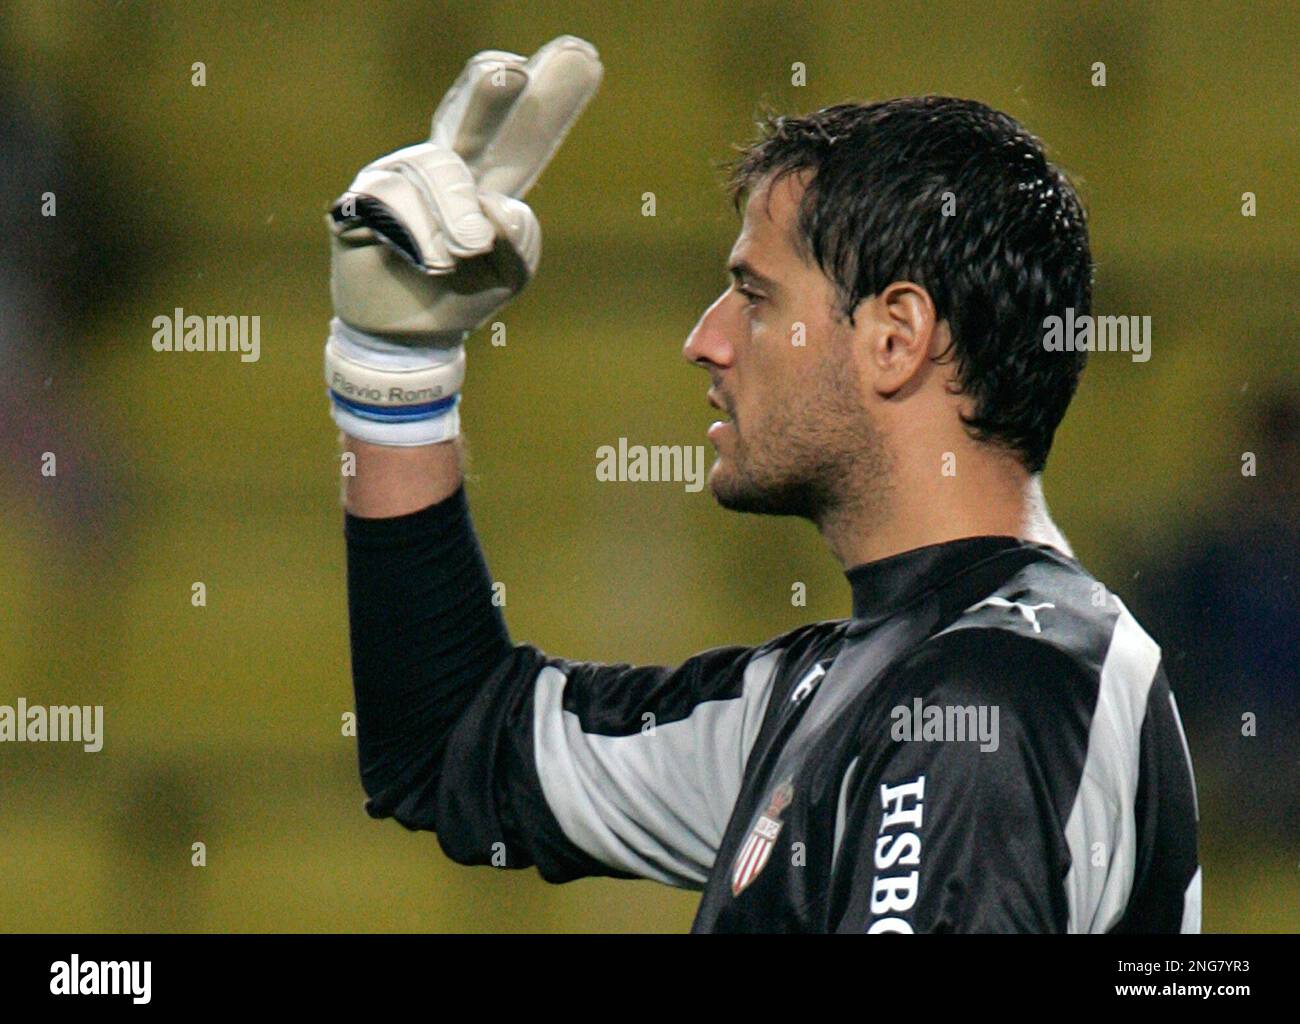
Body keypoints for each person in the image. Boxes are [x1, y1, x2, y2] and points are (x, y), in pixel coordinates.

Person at [327, 37, 1199, 932]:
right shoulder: (842, 689)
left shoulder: (986, 699)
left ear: (895, 337)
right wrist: (395, 371)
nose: (706, 340)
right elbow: (451, 744)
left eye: (754, 295)